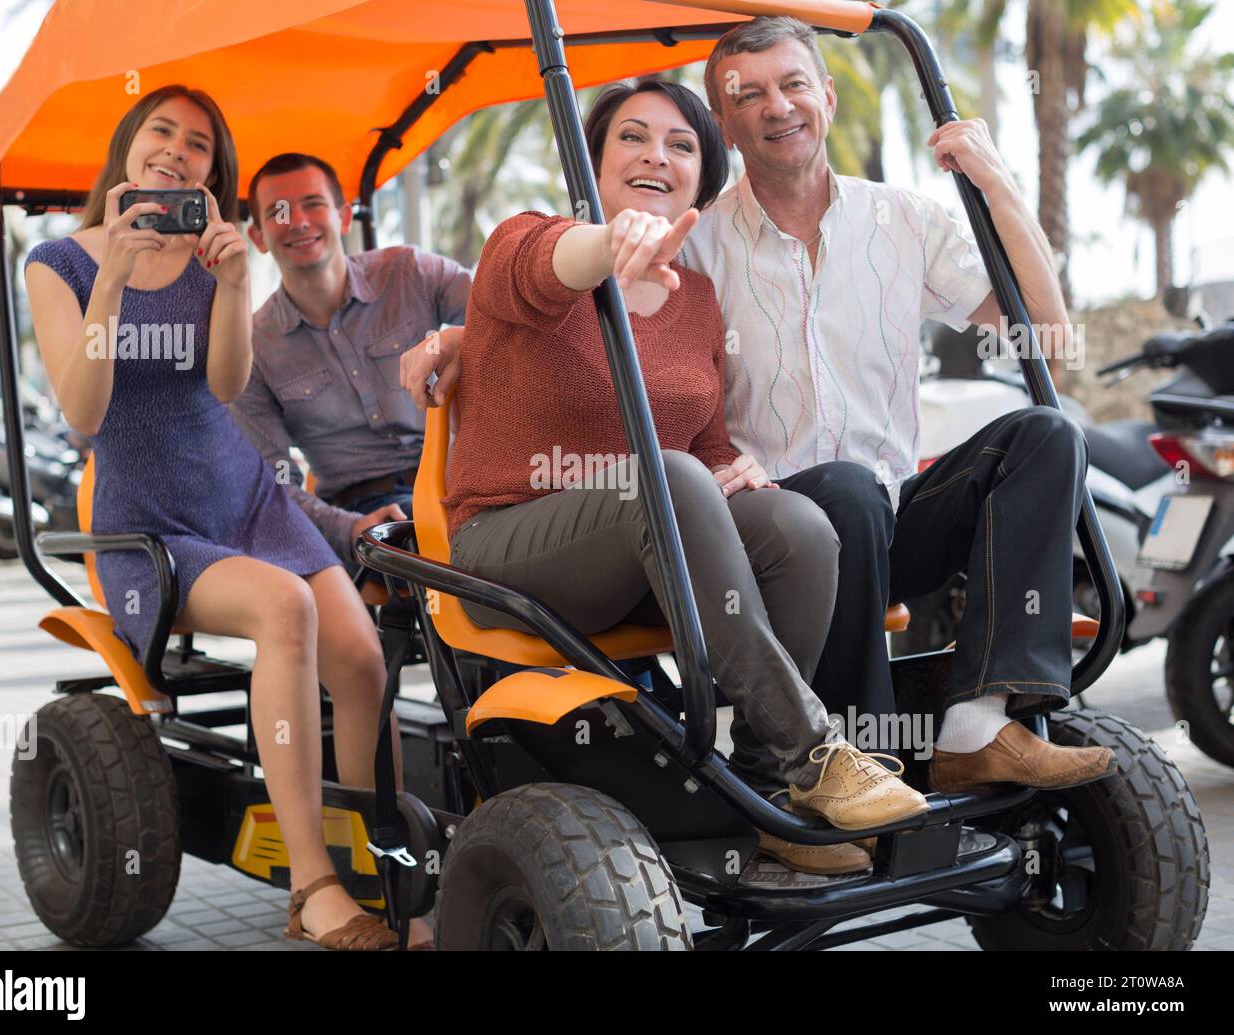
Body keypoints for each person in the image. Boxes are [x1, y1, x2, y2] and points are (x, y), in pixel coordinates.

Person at [440, 78, 929, 878]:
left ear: (703, 177)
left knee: (796, 523)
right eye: (632, 138)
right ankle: (813, 753)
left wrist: (734, 468)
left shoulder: (695, 298)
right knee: (660, 477)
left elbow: (700, 443)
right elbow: (542, 269)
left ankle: (765, 793)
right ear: (592, 161)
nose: (655, 157)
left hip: (643, 540)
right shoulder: (524, 242)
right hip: (512, 538)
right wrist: (610, 245)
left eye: (681, 145)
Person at [23, 85, 426, 951]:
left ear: (213, 172)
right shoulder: (57, 264)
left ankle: (377, 870)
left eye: (198, 144)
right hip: (152, 529)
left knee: (361, 659)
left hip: (249, 498)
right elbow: (85, 413)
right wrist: (118, 278)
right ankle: (312, 887)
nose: (176, 149)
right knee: (287, 609)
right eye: (160, 130)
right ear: (130, 143)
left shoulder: (213, 260)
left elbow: (228, 387)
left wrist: (237, 280)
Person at [682, 16, 1114, 794]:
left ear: (828, 96)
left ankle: (978, 723)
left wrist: (998, 182)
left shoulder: (902, 220)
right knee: (841, 488)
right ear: (725, 122)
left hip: (886, 523)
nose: (776, 106)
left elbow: (1046, 339)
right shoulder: (698, 246)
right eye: (749, 95)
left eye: (793, 84)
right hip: (771, 543)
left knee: (1048, 434)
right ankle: (861, 763)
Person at [232, 152, 471, 566]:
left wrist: (457, 338)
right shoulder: (251, 348)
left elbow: (503, 315)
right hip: (363, 513)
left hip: (459, 482)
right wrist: (349, 529)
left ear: (342, 217)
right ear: (257, 237)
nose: (299, 221)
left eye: (314, 204)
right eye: (279, 212)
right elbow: (271, 483)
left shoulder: (410, 271)